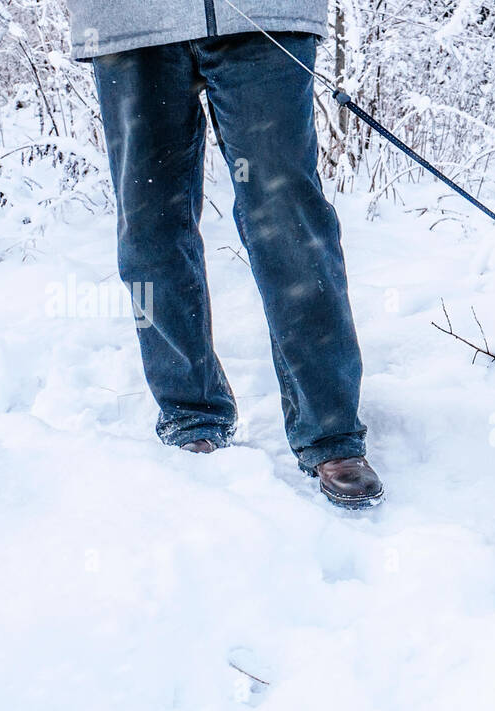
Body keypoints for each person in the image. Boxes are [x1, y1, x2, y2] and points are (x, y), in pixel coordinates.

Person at [67, 1, 384, 508]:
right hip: (126, 20)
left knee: (288, 218)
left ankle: (331, 432)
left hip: (264, 15)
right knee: (150, 223)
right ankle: (190, 412)